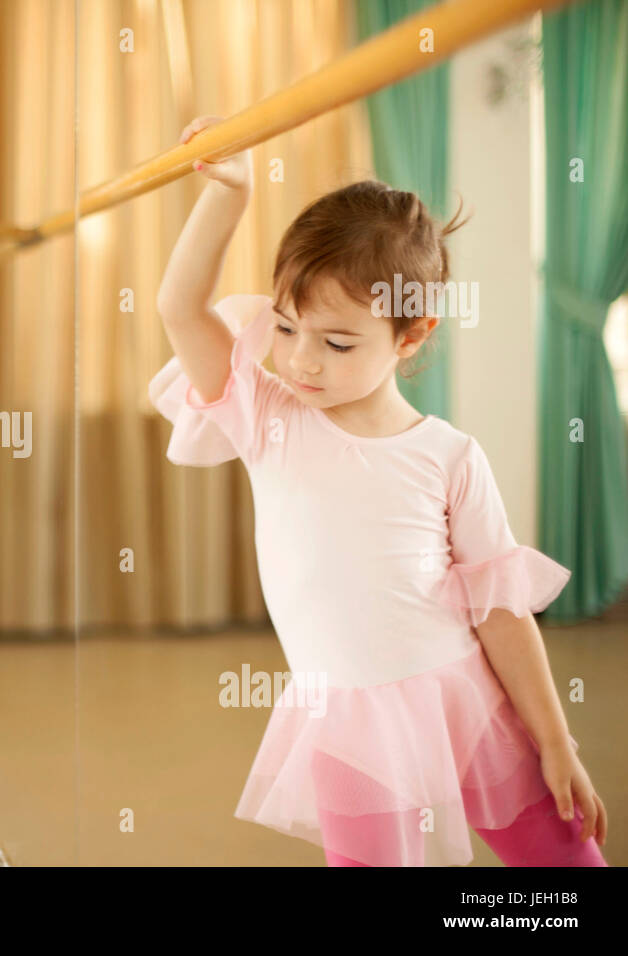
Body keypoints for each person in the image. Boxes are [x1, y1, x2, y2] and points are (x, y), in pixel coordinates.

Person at [149, 115, 609, 866]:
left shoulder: (450, 456)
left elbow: (502, 615)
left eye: (336, 342)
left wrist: (556, 742)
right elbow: (179, 307)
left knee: (563, 866)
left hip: (467, 699)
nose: (302, 361)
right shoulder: (268, 417)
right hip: (350, 727)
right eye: (287, 329)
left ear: (412, 334)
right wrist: (229, 194)